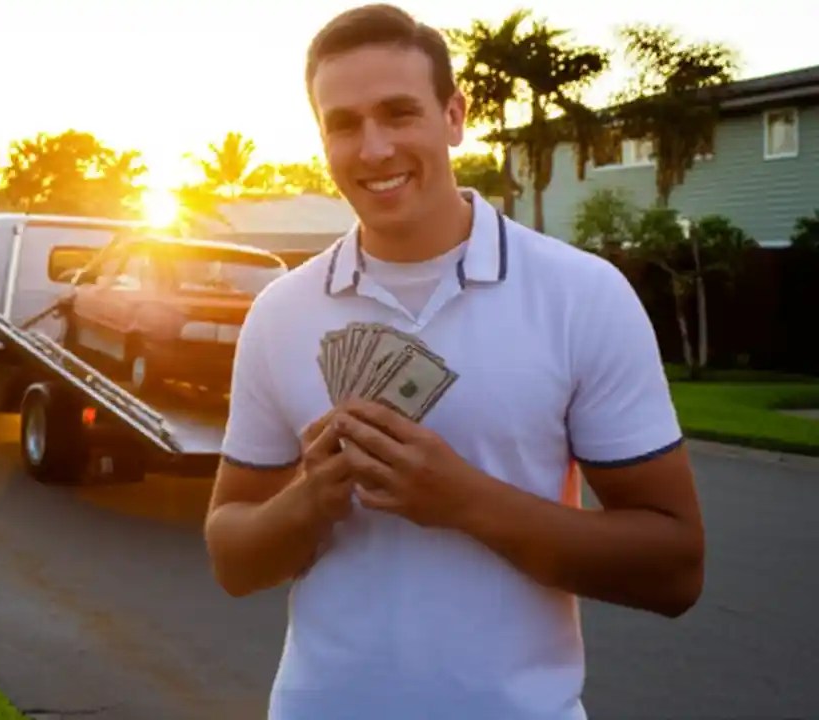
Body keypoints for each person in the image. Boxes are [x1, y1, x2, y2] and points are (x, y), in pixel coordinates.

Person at [202, 4, 705, 719]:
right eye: (342, 123)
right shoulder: (281, 314)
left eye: (398, 113)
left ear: (454, 116)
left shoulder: (581, 295)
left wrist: (461, 500)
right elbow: (232, 559)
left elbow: (676, 567)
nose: (372, 149)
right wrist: (307, 502)